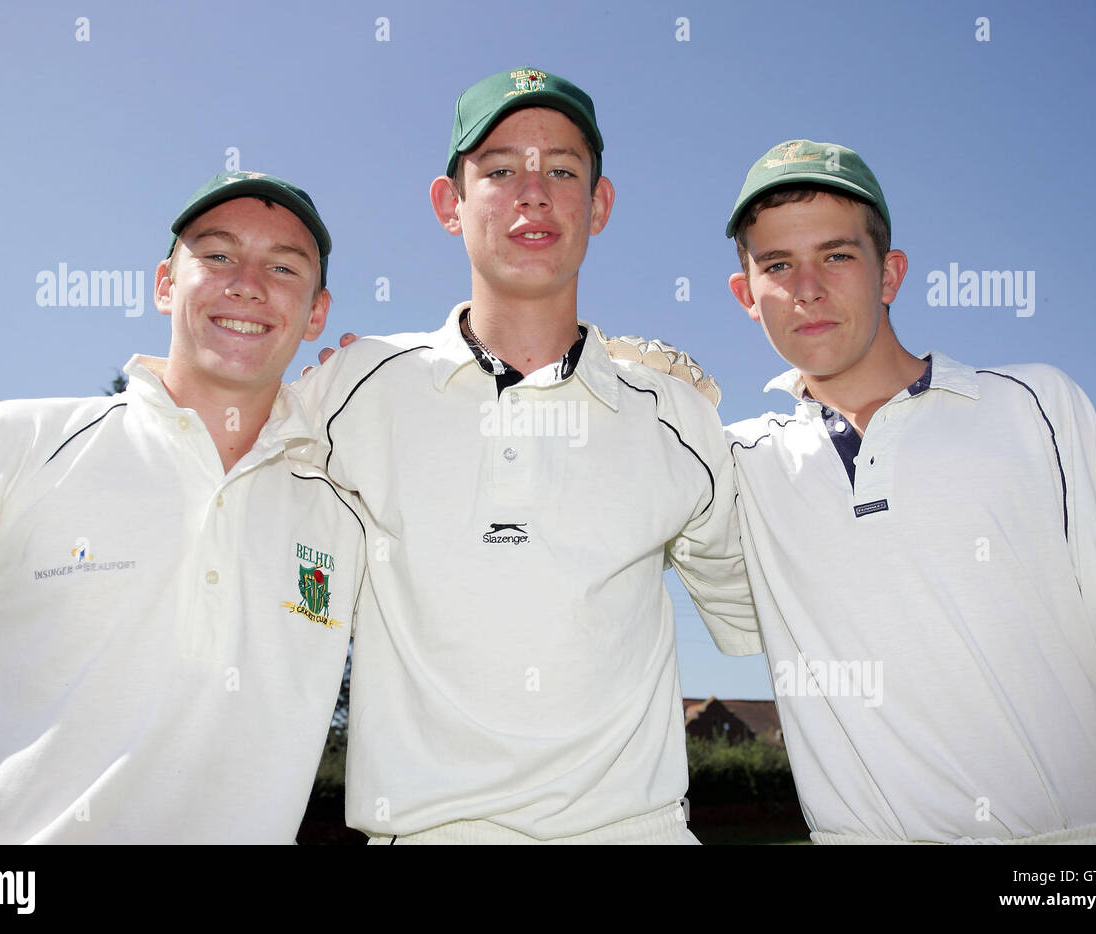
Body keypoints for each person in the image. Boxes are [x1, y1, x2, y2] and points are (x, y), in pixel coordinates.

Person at [302, 67, 759, 844]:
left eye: (563, 171)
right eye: (501, 169)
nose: (534, 193)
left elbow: (764, 612)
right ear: (451, 204)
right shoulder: (355, 389)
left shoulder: (675, 416)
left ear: (599, 205)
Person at [721, 139, 1096, 843]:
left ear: (890, 273)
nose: (807, 288)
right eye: (777, 265)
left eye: (837, 255)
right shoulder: (737, 459)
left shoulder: (1038, 404)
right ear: (746, 296)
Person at [0, 171, 364, 843]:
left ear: (317, 314)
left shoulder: (350, 511)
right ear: (166, 285)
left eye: (283, 267)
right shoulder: (18, 443)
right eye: (218, 254)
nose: (247, 283)